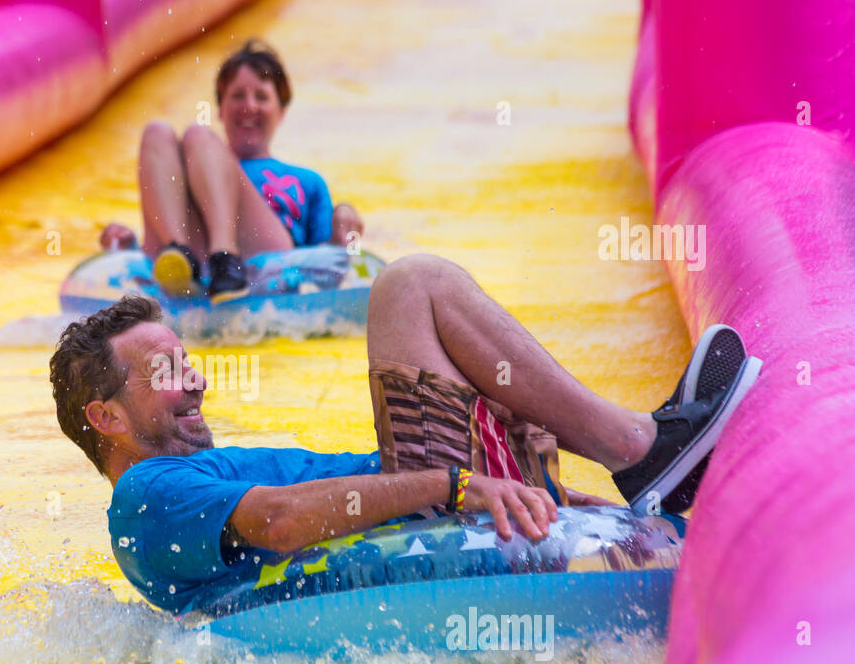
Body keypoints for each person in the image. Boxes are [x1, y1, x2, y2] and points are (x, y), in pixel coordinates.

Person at [49, 254, 761, 614]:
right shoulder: (145, 492)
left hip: (445, 504)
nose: (197, 381)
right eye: (167, 371)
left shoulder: (199, 472)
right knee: (408, 285)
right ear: (107, 417)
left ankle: (641, 471)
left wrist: (567, 502)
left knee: (439, 322)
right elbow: (281, 521)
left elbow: (346, 489)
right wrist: (457, 482)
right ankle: (640, 450)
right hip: (435, 507)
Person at [99, 39, 366, 299]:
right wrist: (128, 246)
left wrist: (344, 212)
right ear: (220, 110)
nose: (249, 106)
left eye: (261, 97)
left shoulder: (308, 181)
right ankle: (181, 257)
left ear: (281, 111)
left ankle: (225, 257)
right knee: (156, 131)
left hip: (266, 257)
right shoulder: (192, 169)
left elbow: (330, 260)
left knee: (197, 134)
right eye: (237, 96)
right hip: (194, 248)